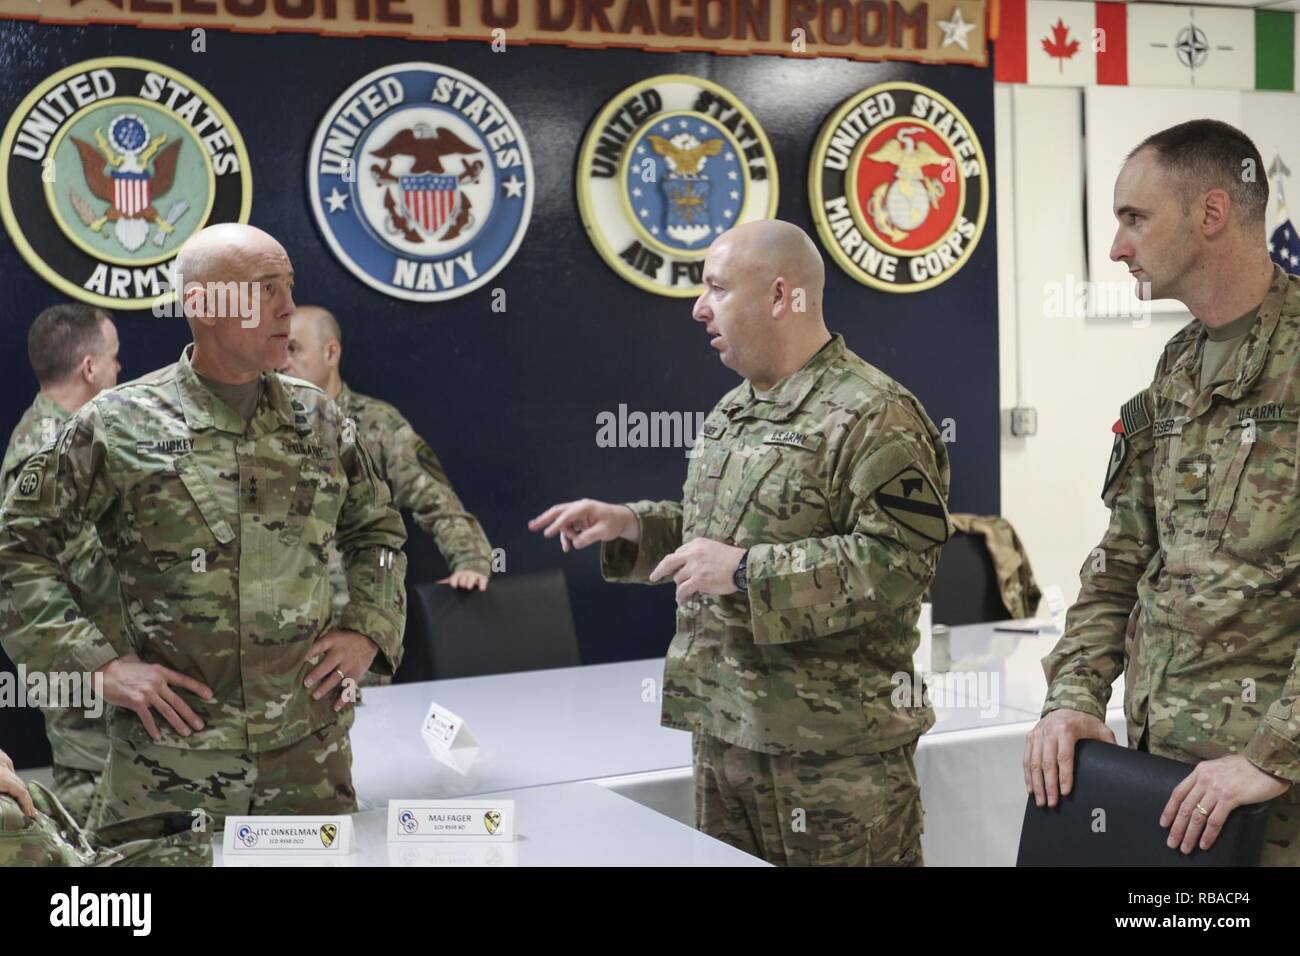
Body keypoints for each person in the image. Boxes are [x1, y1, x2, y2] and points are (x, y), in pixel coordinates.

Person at [529, 219, 951, 866]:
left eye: (716, 288)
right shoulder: (735, 410)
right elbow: (718, 536)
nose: (698, 308)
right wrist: (633, 525)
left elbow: (899, 565)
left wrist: (750, 572)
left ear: (781, 298)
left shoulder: (876, 415)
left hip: (832, 759)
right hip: (726, 735)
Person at [0, 223, 407, 829]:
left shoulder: (319, 418)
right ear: (202, 304)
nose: (288, 308)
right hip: (168, 770)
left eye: (288, 287)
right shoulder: (118, 424)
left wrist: (368, 628)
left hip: (307, 762)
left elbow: (378, 533)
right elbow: (16, 553)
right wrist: (96, 665)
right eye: (265, 289)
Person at [1023, 119, 1299, 864]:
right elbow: (1122, 557)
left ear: (1211, 214)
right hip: (1169, 779)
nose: (1118, 247)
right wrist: (1073, 697)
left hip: (1275, 797)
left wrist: (1274, 752)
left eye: (1134, 218)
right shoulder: (1177, 367)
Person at [278, 306, 491, 686]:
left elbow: (435, 498)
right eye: (279, 349)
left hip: (351, 625)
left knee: (367, 736)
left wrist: (471, 560)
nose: (282, 362)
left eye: (294, 349)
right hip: (276, 627)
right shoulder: (263, 424)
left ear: (331, 353)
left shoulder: (375, 424)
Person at [0, 304, 121, 823]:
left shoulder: (73, 437)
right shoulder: (47, 451)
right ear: (89, 367)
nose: (121, 370)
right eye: (115, 359)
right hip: (83, 657)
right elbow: (77, 571)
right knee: (96, 803)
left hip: (96, 655)